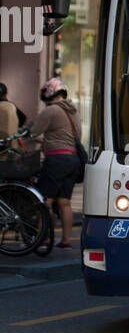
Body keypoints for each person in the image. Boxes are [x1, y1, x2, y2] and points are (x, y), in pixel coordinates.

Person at [27, 78, 82, 249]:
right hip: (73, 159)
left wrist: (25, 134)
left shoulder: (51, 111)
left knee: (46, 200)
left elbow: (34, 131)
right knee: (65, 202)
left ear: (49, 94)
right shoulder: (73, 111)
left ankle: (41, 238)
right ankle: (65, 241)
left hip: (56, 159)